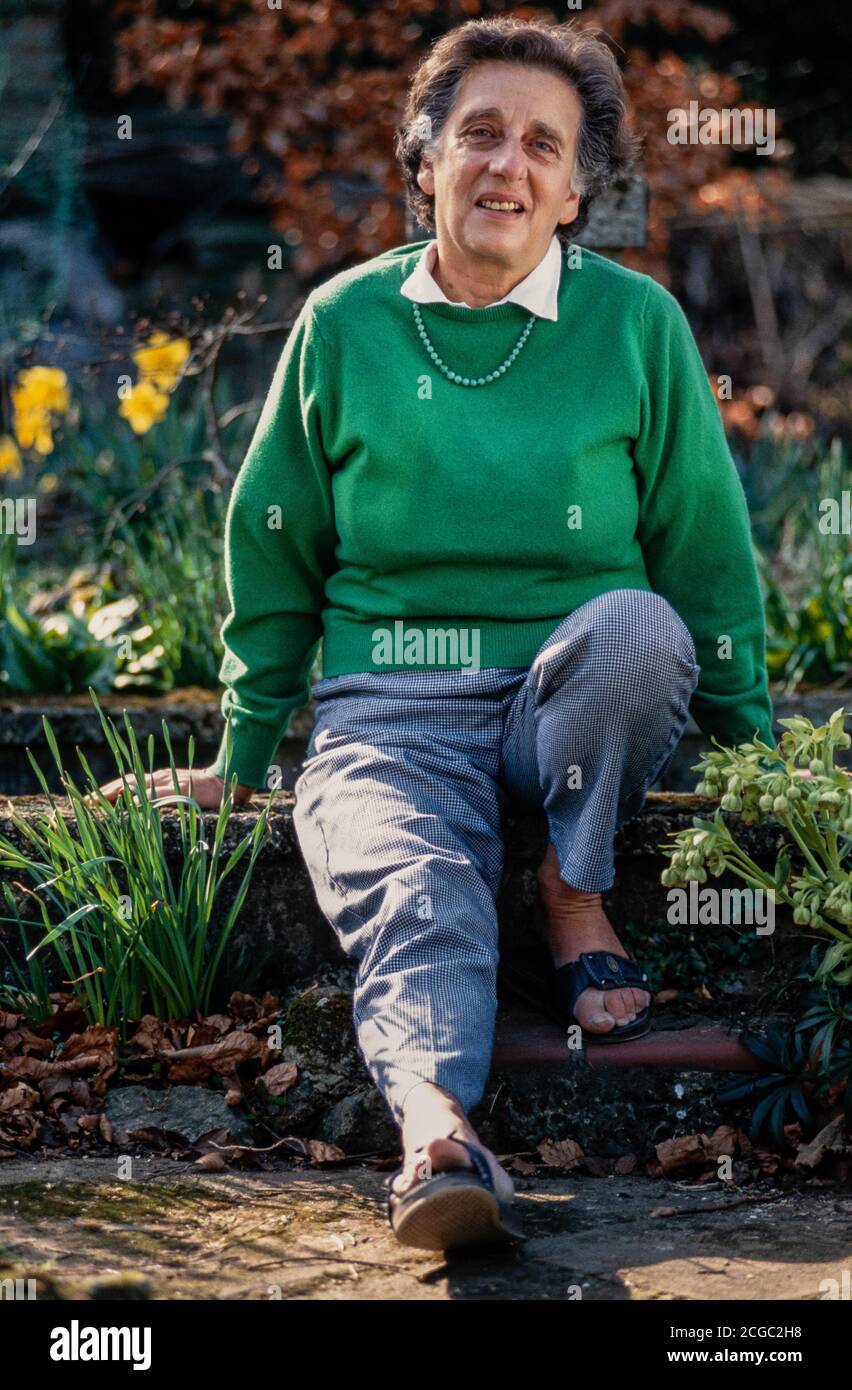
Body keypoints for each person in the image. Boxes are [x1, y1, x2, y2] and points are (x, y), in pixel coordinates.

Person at [100, 17, 774, 1252]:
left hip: (570, 696)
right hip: (386, 709)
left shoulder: (635, 327)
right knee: (413, 883)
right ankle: (436, 1138)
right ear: (425, 161)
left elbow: (707, 557)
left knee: (637, 625)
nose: (505, 164)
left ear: (577, 189)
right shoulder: (346, 324)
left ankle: (575, 890)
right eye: (478, 133)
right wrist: (245, 752)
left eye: (541, 143)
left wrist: (758, 758)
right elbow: (275, 541)